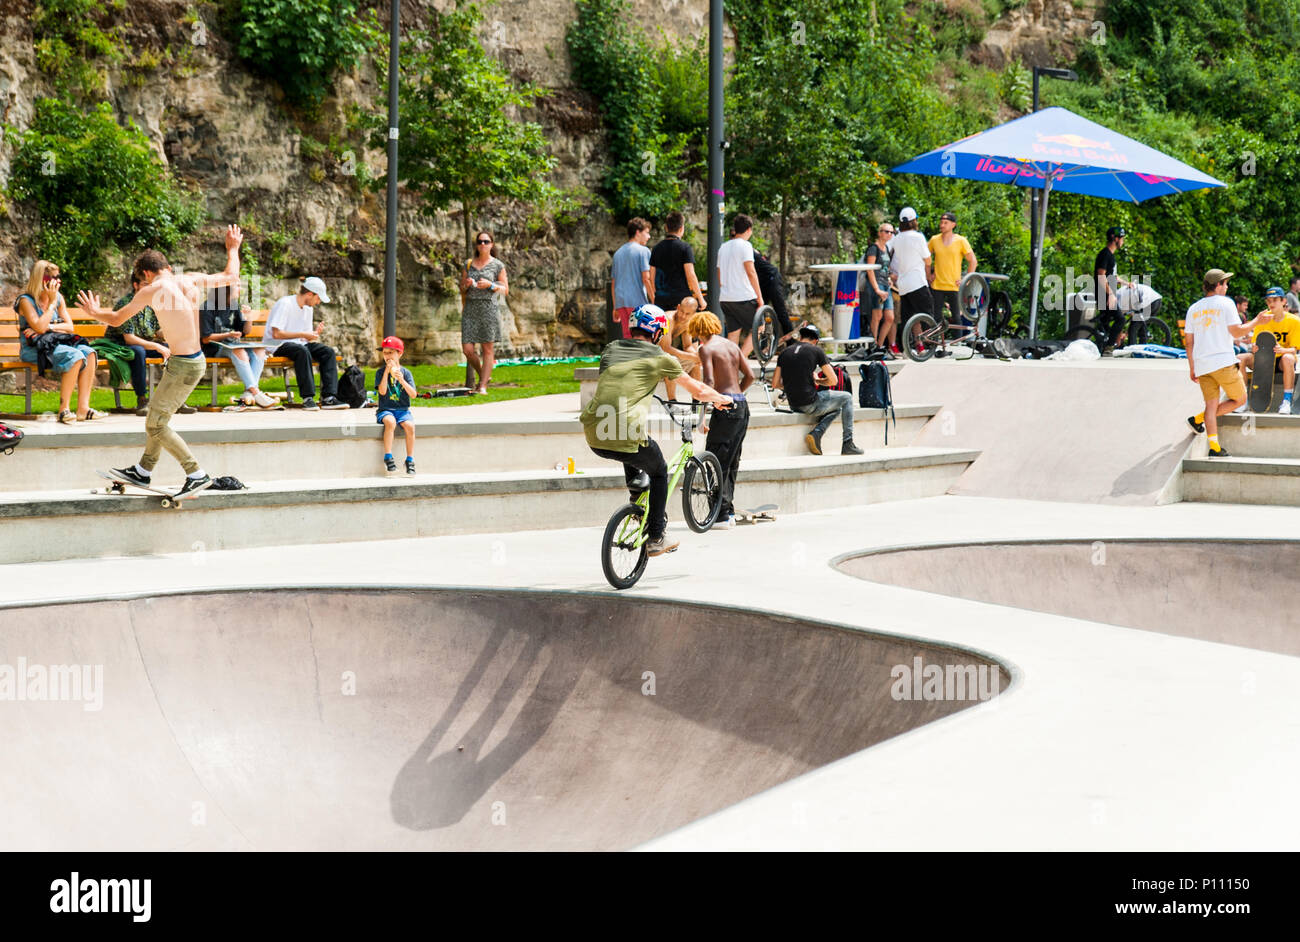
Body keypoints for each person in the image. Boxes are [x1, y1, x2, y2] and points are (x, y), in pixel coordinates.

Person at [76, 224, 245, 494]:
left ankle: (196, 473)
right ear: (165, 266)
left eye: (142, 279)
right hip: (193, 361)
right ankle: (143, 471)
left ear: (145, 273)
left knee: (155, 423)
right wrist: (233, 248)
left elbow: (118, 319)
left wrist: (95, 312)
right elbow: (231, 275)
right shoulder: (188, 279)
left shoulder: (151, 290)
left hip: (183, 365)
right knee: (158, 416)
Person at [580, 304, 733, 557]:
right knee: (660, 470)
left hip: (594, 433)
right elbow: (698, 390)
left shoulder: (610, 350)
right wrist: (722, 399)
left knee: (628, 445)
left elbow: (618, 386)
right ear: (658, 332)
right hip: (625, 432)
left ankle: (636, 493)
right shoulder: (661, 358)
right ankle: (656, 536)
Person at [14, 260, 104, 423]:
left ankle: (83, 409)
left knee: (89, 353)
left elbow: (69, 327)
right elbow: (39, 328)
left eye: (58, 277)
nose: (58, 282)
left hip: (56, 346)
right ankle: (64, 410)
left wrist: (49, 325)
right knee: (75, 355)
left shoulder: (59, 298)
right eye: (54, 278)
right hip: (34, 351)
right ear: (43, 280)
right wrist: (51, 305)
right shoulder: (26, 301)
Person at [690, 309, 753, 529]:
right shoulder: (732, 345)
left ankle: (720, 515)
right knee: (732, 460)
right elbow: (751, 376)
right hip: (742, 406)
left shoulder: (705, 348)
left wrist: (701, 415)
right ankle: (729, 511)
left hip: (724, 408)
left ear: (697, 330)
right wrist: (736, 396)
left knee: (714, 460)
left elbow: (707, 380)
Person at [1185, 269, 1256, 458]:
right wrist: (1257, 320)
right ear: (1217, 285)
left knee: (1211, 405)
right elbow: (1237, 332)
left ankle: (1215, 447)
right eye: (1225, 283)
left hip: (1203, 365)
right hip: (1223, 363)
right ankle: (1199, 419)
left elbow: (1189, 342)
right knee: (1240, 399)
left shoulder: (1194, 308)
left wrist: (1192, 368)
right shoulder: (1226, 303)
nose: (1227, 287)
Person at [773, 324, 863, 456]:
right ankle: (847, 443)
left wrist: (792, 385)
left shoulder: (784, 352)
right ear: (816, 340)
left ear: (801, 337)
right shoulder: (816, 351)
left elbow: (775, 383)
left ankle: (817, 434)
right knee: (846, 398)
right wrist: (818, 381)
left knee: (836, 407)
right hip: (810, 403)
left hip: (793, 404)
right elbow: (834, 381)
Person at [110, 273, 186, 416]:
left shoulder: (151, 304)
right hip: (121, 345)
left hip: (144, 344)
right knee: (138, 352)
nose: (150, 288)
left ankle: (175, 399)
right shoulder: (126, 304)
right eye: (145, 284)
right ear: (135, 285)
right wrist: (157, 346)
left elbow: (157, 331)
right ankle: (142, 399)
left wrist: (174, 337)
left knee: (174, 349)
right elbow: (129, 338)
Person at [265, 276, 344, 410]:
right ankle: (308, 398)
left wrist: (312, 335)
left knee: (327, 352)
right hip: (277, 345)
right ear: (309, 294)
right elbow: (276, 334)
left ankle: (329, 398)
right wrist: (303, 335)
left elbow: (304, 338)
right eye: (318, 298)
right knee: (302, 351)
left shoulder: (308, 309)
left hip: (298, 345)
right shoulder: (285, 303)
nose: (318, 302)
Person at [200, 284, 276, 408]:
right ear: (226, 290)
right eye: (237, 286)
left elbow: (245, 331)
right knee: (239, 350)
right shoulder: (207, 307)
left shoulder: (234, 305)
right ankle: (256, 392)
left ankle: (248, 392)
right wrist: (227, 334)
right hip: (214, 348)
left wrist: (249, 318)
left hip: (233, 344)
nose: (240, 289)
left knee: (260, 350)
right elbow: (206, 338)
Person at [1237, 287, 1300, 414]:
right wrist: (1254, 347)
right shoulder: (1262, 319)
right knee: (1239, 359)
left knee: (1288, 358)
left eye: (1275, 300)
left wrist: (1282, 350)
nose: (1271, 304)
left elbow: (1294, 350)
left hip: (1282, 360)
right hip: (1263, 360)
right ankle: (1242, 401)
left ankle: (1287, 401)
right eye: (1269, 301)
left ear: (1283, 301)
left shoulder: (1294, 321)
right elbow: (1256, 342)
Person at [460, 230, 508, 395]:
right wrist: (466, 285)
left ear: (492, 244)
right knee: (467, 349)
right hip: (470, 308)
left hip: (489, 308)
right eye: (480, 241)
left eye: (486, 241)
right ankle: (483, 376)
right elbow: (461, 288)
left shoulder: (498, 265)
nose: (482, 244)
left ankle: (482, 387)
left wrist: (490, 285)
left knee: (487, 349)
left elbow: (505, 290)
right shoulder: (468, 264)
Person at [716, 215, 764, 358]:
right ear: (749, 230)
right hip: (743, 297)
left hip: (725, 298)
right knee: (759, 327)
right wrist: (759, 297)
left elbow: (719, 274)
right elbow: (751, 271)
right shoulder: (746, 246)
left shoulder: (723, 247)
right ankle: (741, 360)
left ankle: (732, 365)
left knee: (733, 333)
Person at [927, 211, 977, 330]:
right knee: (936, 316)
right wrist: (928, 274)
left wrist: (967, 279)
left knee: (956, 316)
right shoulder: (934, 240)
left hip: (953, 285)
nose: (942, 225)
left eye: (946, 223)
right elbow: (925, 258)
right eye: (941, 222)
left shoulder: (961, 240)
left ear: (953, 225)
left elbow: (973, 261)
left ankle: (957, 344)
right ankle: (936, 343)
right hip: (937, 284)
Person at [890, 208, 933, 342]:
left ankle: (905, 348)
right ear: (914, 221)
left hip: (903, 284)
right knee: (928, 314)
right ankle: (931, 344)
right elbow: (928, 259)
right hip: (917, 281)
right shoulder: (918, 237)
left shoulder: (896, 239)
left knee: (907, 317)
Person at [649, 212, 705, 316]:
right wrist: (701, 299)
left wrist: (655, 298)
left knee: (665, 331)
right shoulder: (685, 248)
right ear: (681, 228)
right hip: (682, 301)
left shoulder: (656, 249)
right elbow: (691, 276)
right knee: (686, 330)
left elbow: (651, 278)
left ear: (666, 227)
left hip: (662, 299)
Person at [376, 335, 417, 474]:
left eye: (391, 353)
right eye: (385, 353)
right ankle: (388, 457)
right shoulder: (380, 372)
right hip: (386, 409)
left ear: (400, 353)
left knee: (410, 426)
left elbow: (413, 394)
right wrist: (387, 372)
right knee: (390, 422)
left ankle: (410, 459)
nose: (387, 356)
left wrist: (402, 381)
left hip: (403, 410)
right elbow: (382, 391)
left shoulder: (406, 373)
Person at [611, 218, 653, 340]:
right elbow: (646, 278)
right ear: (637, 232)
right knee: (644, 336)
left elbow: (614, 283)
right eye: (646, 232)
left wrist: (615, 307)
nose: (649, 236)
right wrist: (654, 299)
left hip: (621, 303)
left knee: (628, 337)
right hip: (637, 302)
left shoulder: (618, 253)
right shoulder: (643, 251)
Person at [863, 221, 898, 358]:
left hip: (885, 284)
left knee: (890, 317)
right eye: (886, 231)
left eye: (891, 232)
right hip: (875, 284)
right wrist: (877, 289)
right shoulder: (873, 248)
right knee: (877, 316)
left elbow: (885, 268)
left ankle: (879, 345)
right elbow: (870, 269)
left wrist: (889, 278)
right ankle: (873, 346)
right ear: (880, 232)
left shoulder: (887, 249)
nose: (889, 234)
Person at [1094, 226, 1130, 348]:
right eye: (1122, 239)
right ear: (1115, 239)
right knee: (1120, 319)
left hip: (1107, 293)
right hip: (1104, 294)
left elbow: (1112, 276)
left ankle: (1104, 343)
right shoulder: (1105, 254)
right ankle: (1109, 347)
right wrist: (1110, 294)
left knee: (1107, 323)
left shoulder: (1111, 256)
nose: (1123, 241)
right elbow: (1101, 275)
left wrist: (1126, 283)